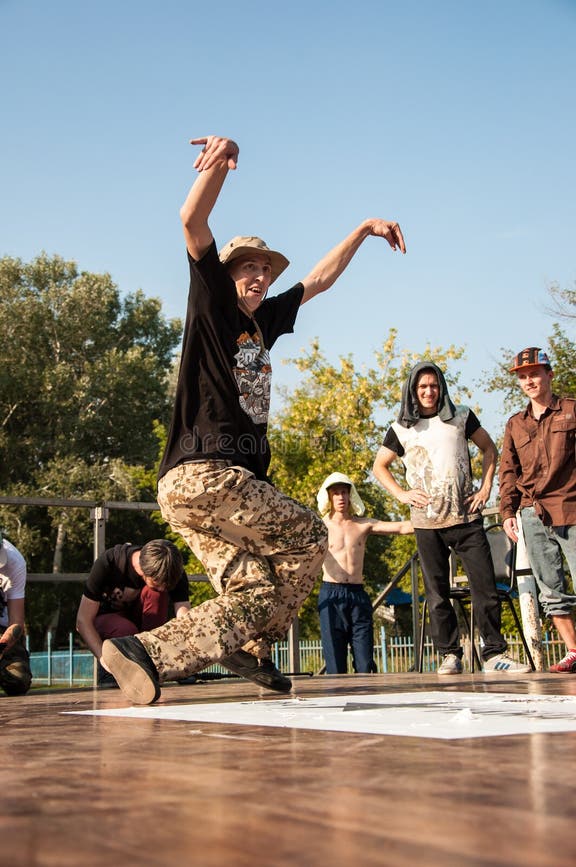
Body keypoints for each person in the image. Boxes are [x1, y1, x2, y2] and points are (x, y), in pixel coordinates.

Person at [101, 134, 406, 704]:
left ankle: (155, 652)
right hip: (208, 472)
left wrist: (363, 230)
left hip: (192, 492)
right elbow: (192, 220)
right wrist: (222, 163)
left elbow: (318, 280)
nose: (259, 276)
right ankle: (255, 643)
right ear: (229, 272)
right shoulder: (212, 301)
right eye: (249, 268)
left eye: (265, 268)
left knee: (254, 589)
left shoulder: (265, 319)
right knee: (312, 535)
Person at [373, 361, 531, 674]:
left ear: (441, 388)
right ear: (413, 392)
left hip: (467, 517)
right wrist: (402, 495)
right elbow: (380, 466)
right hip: (427, 522)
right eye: (422, 387)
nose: (428, 391)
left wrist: (486, 487)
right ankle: (450, 654)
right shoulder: (402, 428)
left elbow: (488, 449)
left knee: (485, 587)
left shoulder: (461, 417)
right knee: (436, 593)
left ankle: (494, 655)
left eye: (433, 386)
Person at [499, 346, 576, 673]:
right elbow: (508, 471)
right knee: (550, 589)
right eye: (523, 376)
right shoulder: (515, 424)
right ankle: (574, 650)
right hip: (532, 514)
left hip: (572, 508)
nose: (529, 380)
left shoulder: (571, 410)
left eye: (534, 373)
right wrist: (506, 513)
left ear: (549, 374)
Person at [317, 472, 413, 674]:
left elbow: (402, 527)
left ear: (350, 495)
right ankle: (337, 698)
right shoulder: (320, 527)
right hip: (331, 594)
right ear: (329, 497)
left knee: (365, 661)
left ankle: (368, 697)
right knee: (335, 662)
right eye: (336, 493)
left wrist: (435, 520)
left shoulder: (363, 524)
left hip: (357, 594)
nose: (341, 497)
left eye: (344, 492)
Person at [76, 539, 190, 680]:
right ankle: (115, 670)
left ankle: (153, 658)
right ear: (142, 570)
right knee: (125, 630)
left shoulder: (171, 568)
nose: (163, 588)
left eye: (167, 586)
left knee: (156, 594)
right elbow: (83, 621)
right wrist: (104, 661)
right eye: (157, 583)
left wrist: (186, 659)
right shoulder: (109, 562)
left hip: (140, 627)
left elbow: (184, 618)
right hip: (107, 623)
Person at [0, 532, 32, 696]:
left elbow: (16, 623)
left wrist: (2, 646)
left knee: (19, 680)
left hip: (3, 631)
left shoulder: (14, 561)